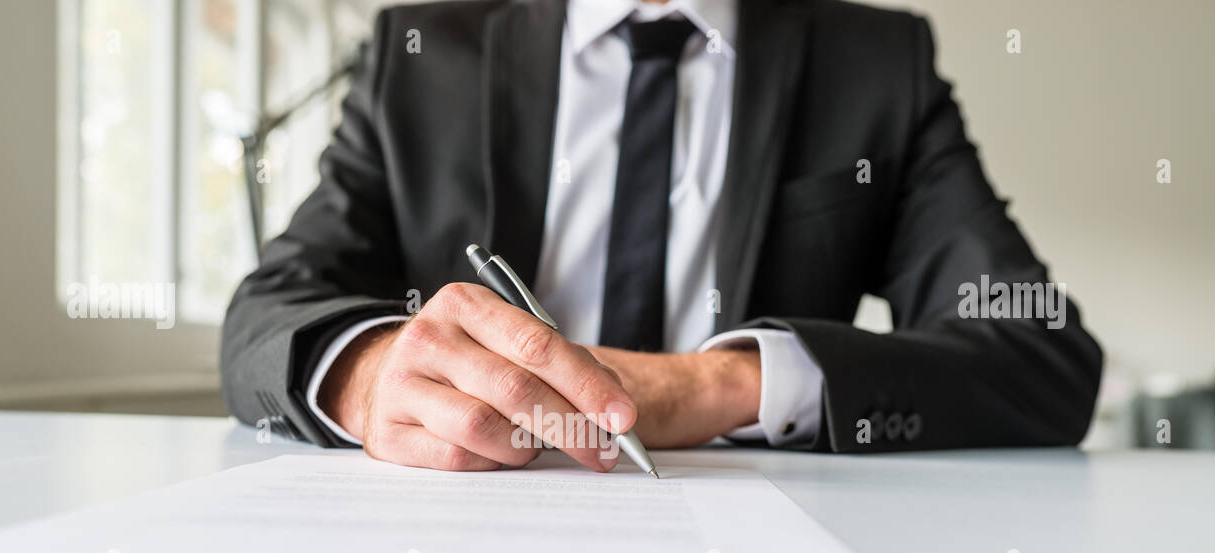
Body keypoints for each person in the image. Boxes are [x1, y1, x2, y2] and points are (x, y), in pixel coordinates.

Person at [222, 0, 1102, 472]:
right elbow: (267, 314)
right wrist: (378, 376)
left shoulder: (876, 64)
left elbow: (1041, 356)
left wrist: (720, 383)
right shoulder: (417, 52)